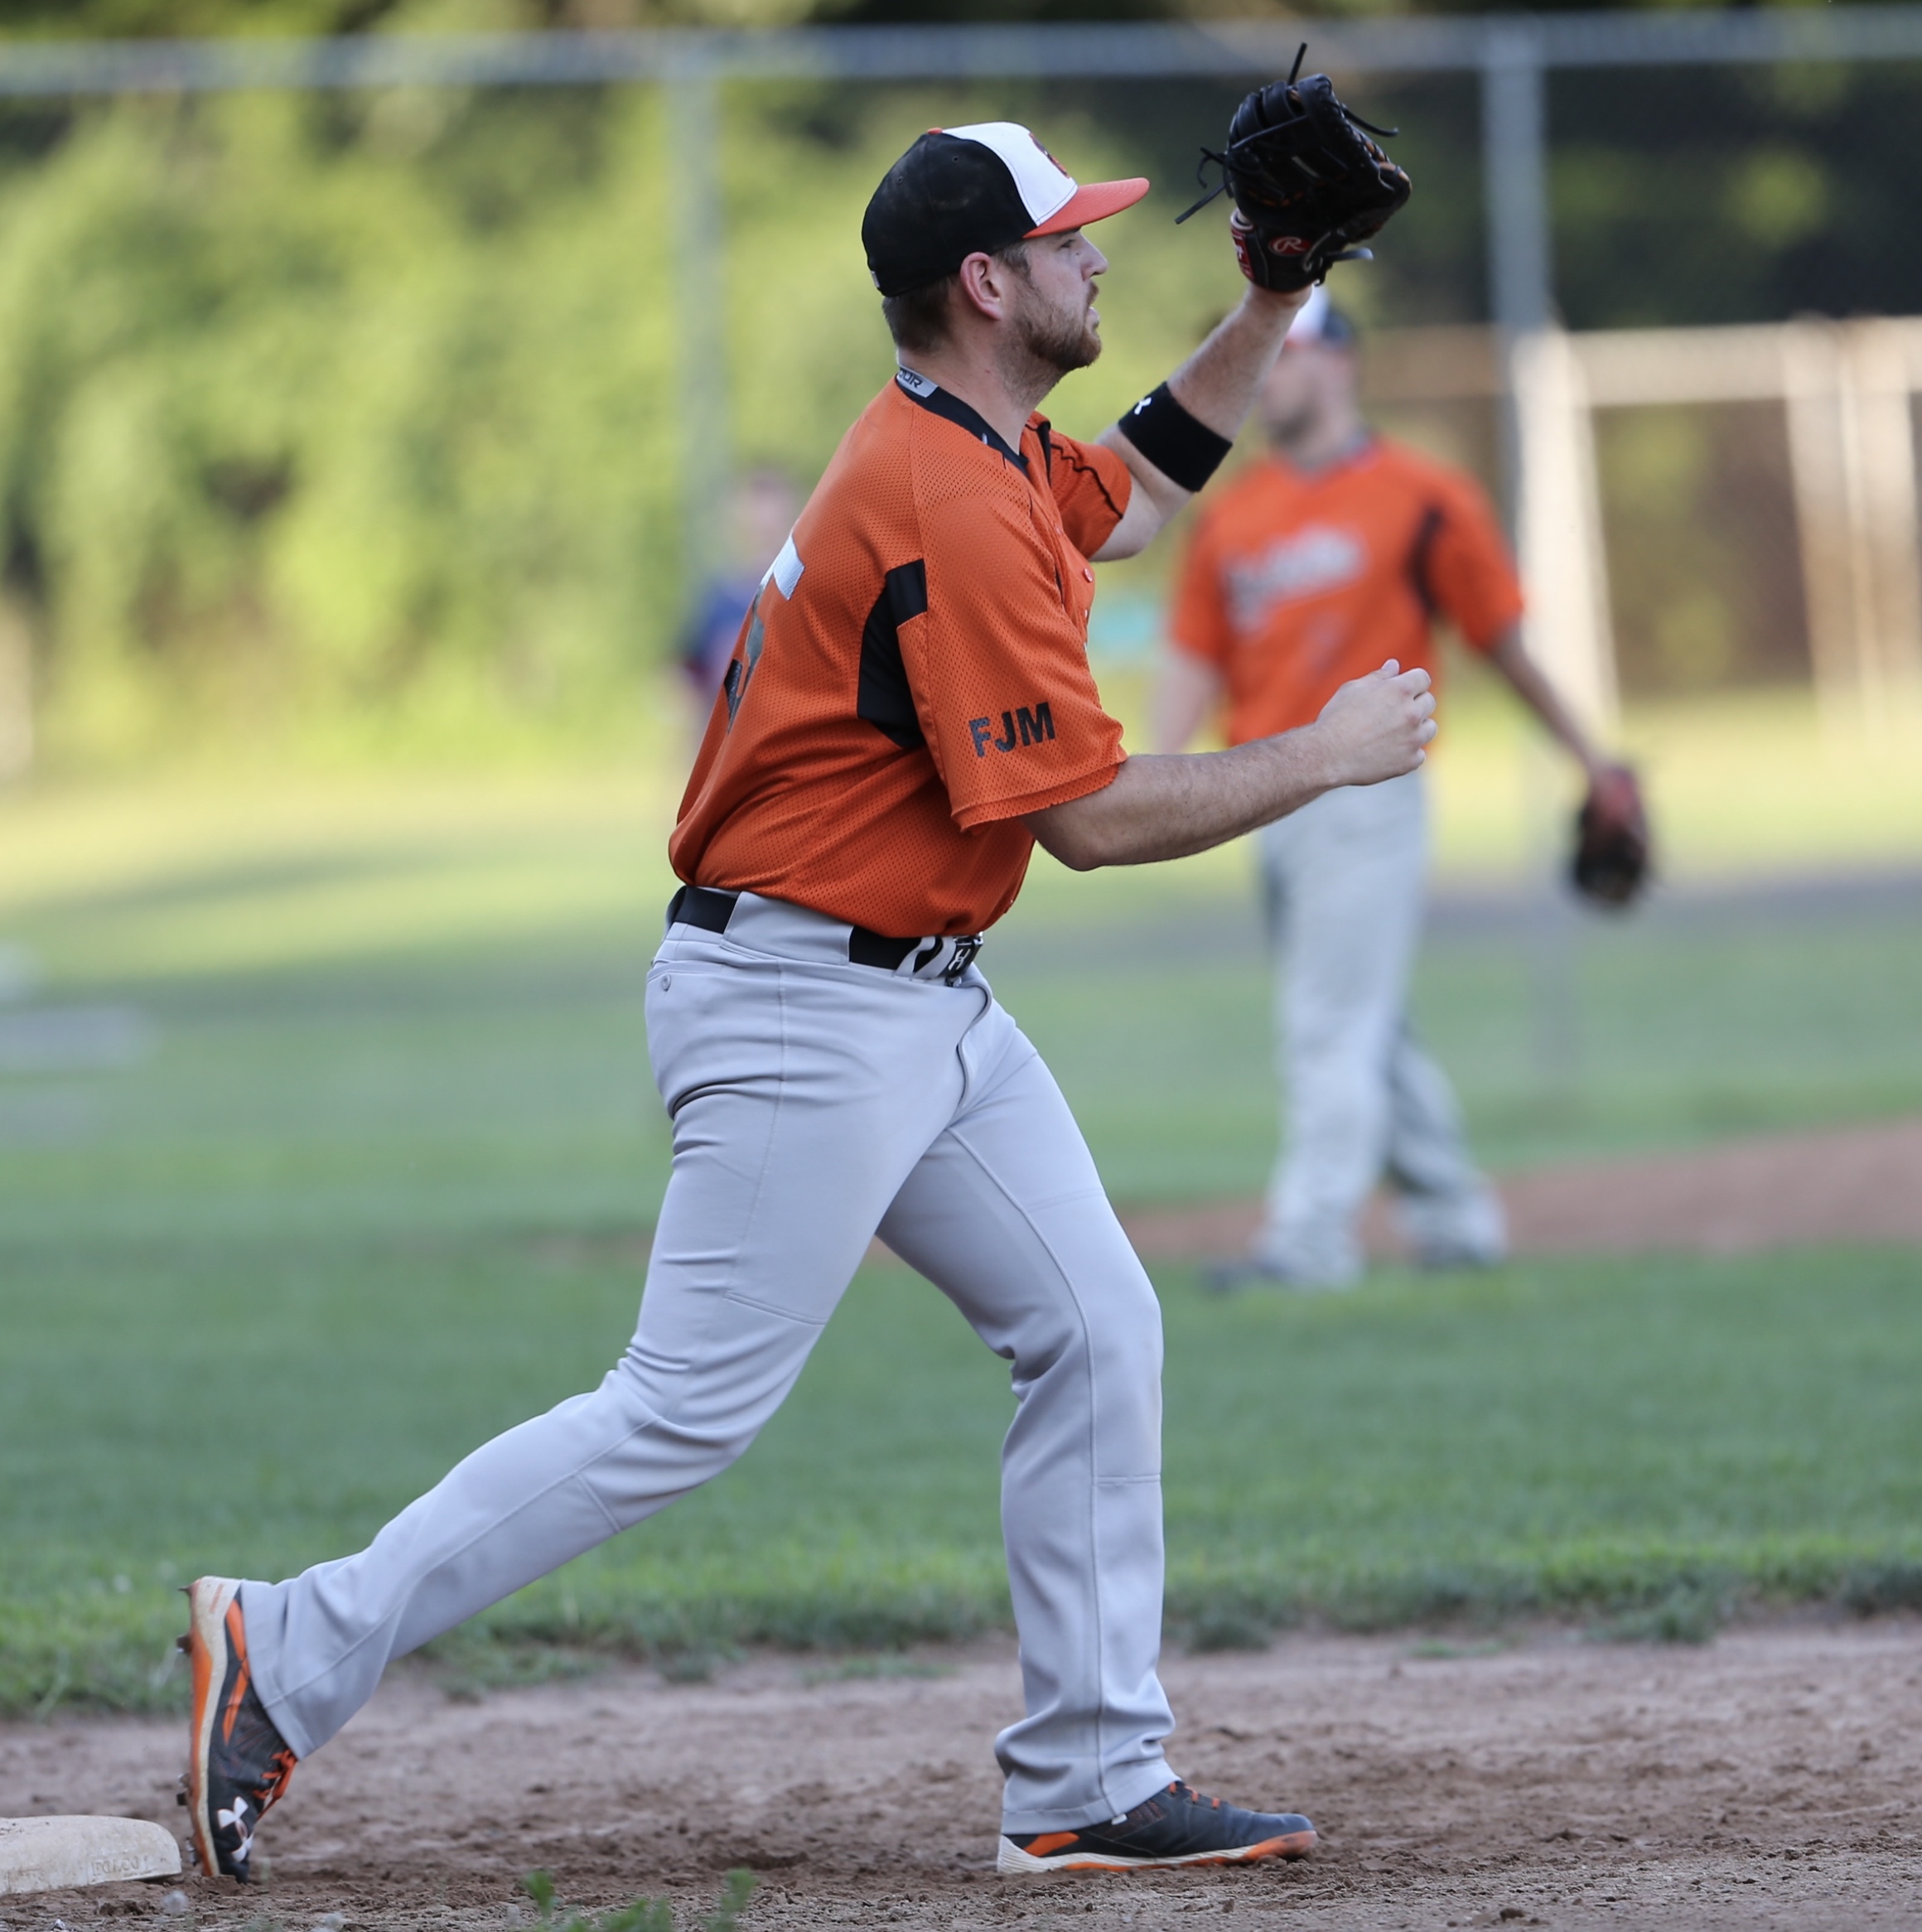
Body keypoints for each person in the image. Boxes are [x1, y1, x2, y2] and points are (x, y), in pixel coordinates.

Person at [179, 122, 1437, 1886]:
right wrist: (1319, 754)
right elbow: (1073, 818)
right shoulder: (939, 495)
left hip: (910, 997)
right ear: (983, 284)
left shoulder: (976, 447)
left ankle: (1085, 1775)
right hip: (799, 1000)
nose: (1096, 258)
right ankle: (286, 1643)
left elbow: (1140, 493)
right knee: (678, 1408)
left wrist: (1274, 297)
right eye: (1064, 242)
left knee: (1095, 1326)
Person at [1155, 290, 1615, 1290]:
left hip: (1369, 793)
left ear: (1342, 363)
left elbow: (1504, 643)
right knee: (1363, 1017)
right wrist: (1145, 772)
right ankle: (1455, 1216)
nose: (1271, 371)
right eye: (1263, 355)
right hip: (1264, 791)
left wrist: (1591, 758)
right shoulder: (1230, 519)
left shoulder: (1422, 494)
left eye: (1291, 351)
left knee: (1327, 1020)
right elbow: (1192, 658)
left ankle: (1310, 1242)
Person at [677, 468, 803, 711]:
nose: (763, 540)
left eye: (770, 531)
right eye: (756, 531)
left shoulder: (802, 598)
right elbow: (687, 681)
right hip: (728, 741)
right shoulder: (716, 603)